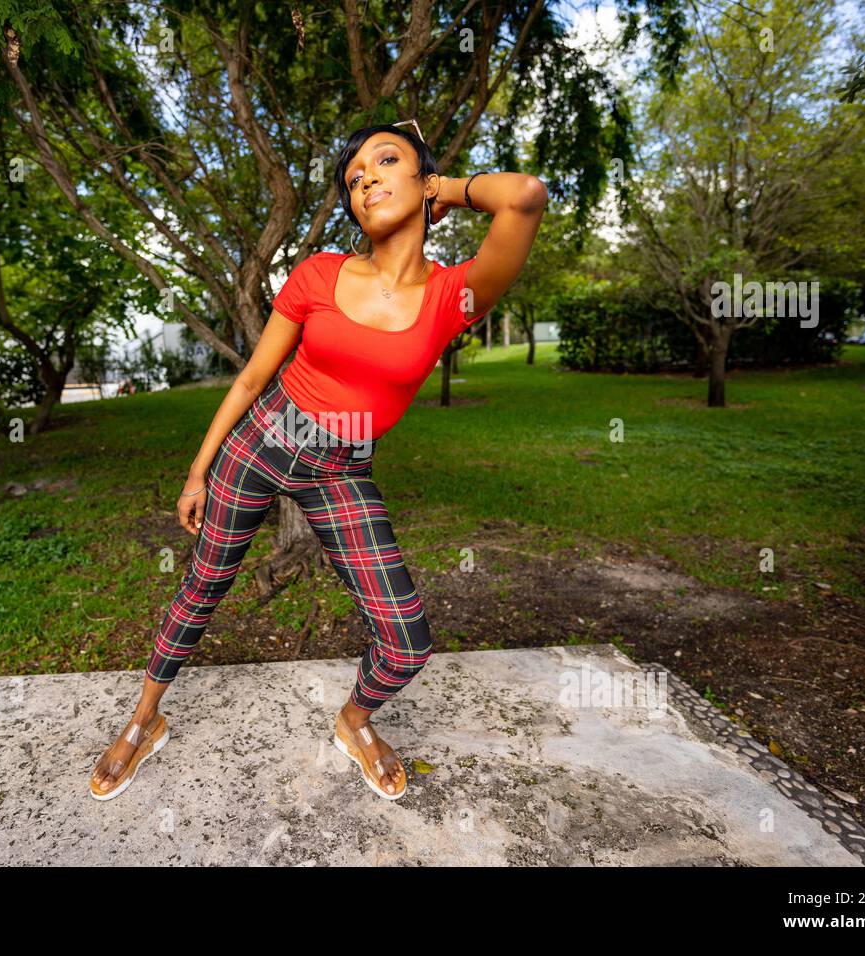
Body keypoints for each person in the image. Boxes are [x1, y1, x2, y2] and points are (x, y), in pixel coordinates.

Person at [89, 121, 548, 802]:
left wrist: (440, 188)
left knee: (408, 638)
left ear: (423, 179)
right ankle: (143, 719)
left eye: (385, 162)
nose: (366, 180)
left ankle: (354, 720)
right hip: (264, 438)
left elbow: (526, 196)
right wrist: (197, 469)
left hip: (342, 469)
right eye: (354, 178)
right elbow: (249, 381)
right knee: (204, 586)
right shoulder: (321, 272)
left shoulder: (455, 297)